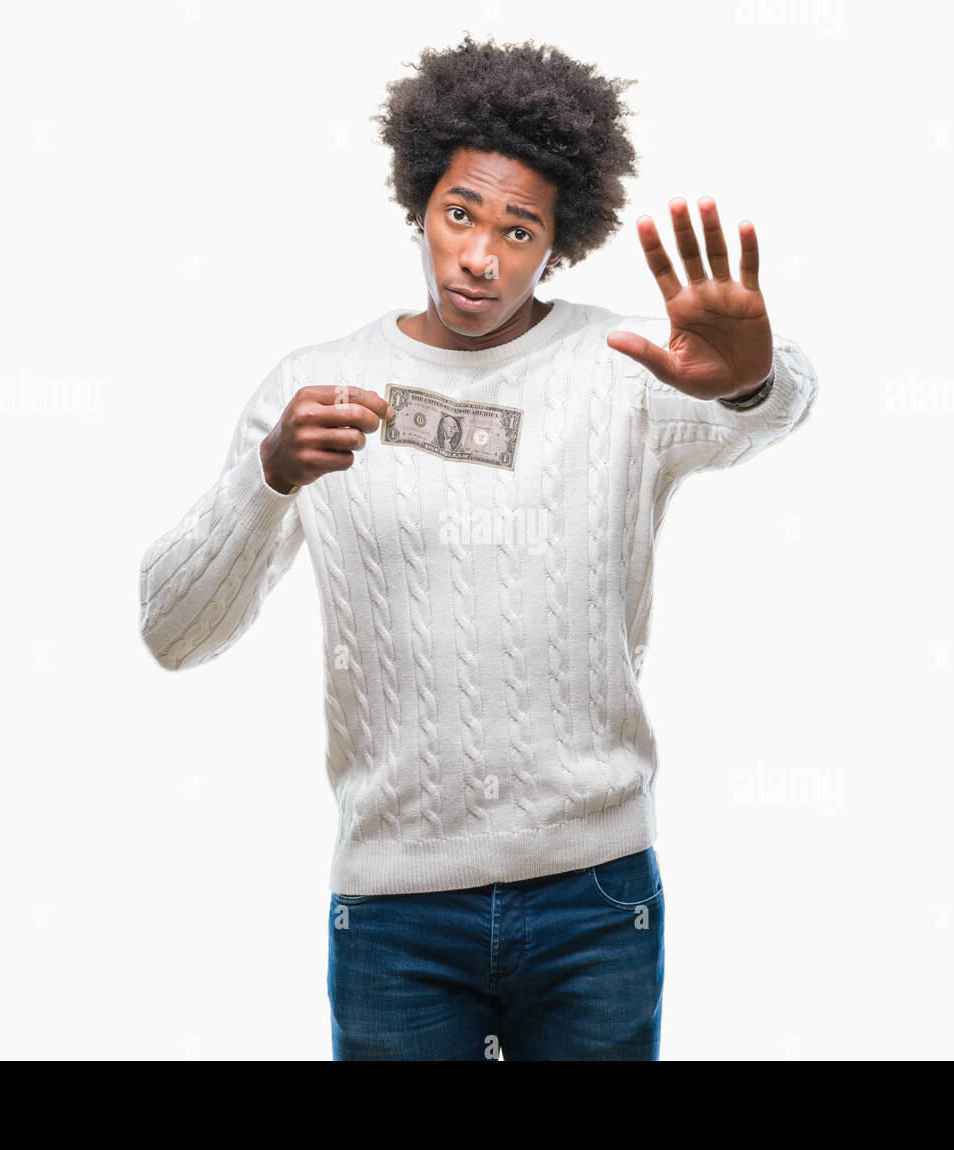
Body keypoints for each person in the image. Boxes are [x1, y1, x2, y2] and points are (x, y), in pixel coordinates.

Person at [138, 32, 817, 1060]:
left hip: (596, 896)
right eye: (461, 213)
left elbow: (768, 410)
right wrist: (266, 474)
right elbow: (171, 629)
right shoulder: (313, 386)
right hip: (395, 910)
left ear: (558, 243)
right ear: (421, 202)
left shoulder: (622, 369)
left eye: (518, 229)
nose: (479, 255)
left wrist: (753, 380)